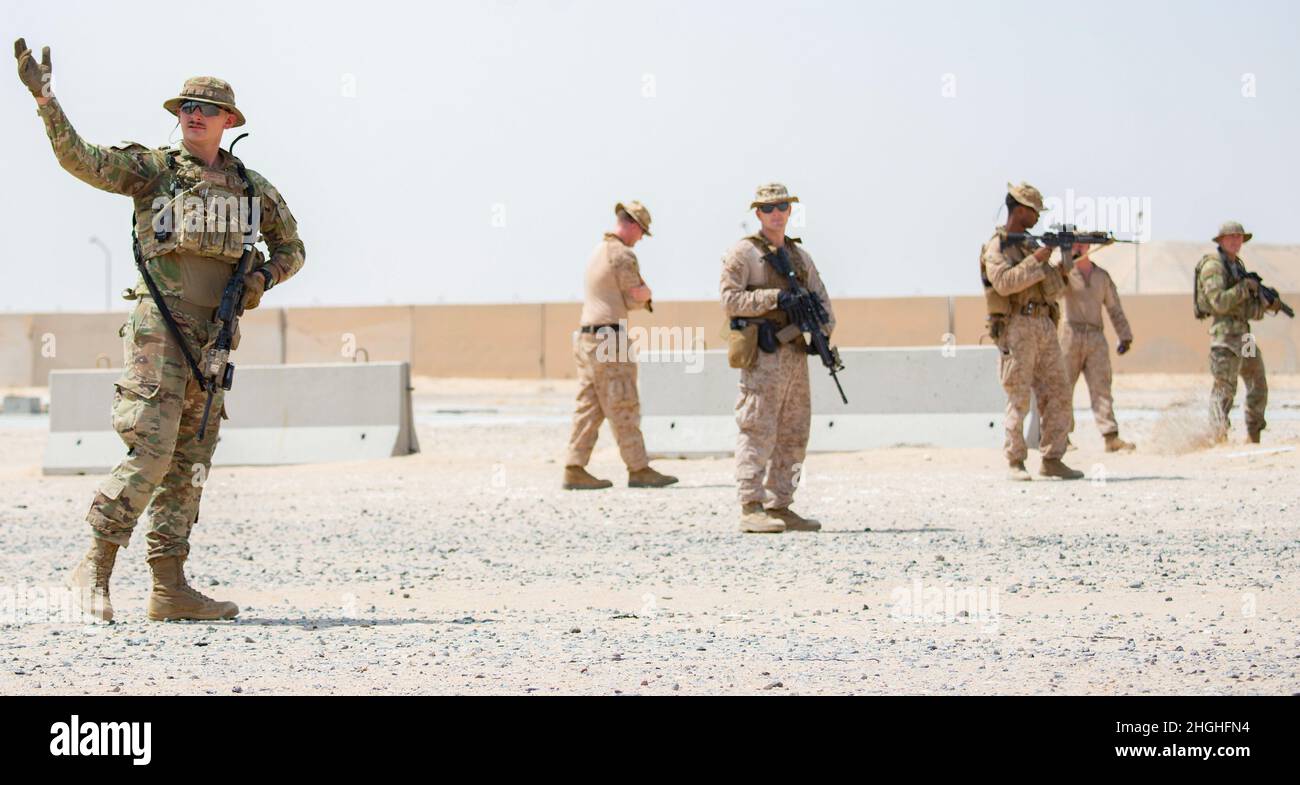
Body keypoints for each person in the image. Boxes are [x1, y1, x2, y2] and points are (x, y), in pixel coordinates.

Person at [16, 38, 305, 620]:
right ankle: (93, 570)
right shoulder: (152, 171)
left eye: (203, 109)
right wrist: (47, 101)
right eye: (184, 108)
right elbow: (82, 159)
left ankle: (169, 588)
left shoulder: (251, 188)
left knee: (191, 459)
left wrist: (265, 276)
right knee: (150, 449)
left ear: (228, 121)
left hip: (214, 339)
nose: (191, 116)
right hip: (160, 329)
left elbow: (294, 247)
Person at [720, 183, 834, 533]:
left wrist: (823, 335)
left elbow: (822, 302)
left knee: (794, 432)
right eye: (768, 209)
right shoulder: (744, 254)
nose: (776, 214)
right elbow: (730, 301)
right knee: (757, 428)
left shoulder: (800, 258)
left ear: (789, 211)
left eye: (782, 207)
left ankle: (781, 503)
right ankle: (751, 505)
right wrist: (774, 299)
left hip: (795, 354)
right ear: (758, 213)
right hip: (764, 355)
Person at [563, 201, 678, 490]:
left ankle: (574, 466)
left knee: (590, 404)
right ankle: (638, 468)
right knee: (623, 399)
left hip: (587, 337)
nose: (640, 239)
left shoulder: (598, 250)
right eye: (642, 232)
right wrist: (647, 294)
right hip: (608, 338)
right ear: (634, 226)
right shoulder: (623, 255)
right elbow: (635, 296)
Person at [979, 182, 1083, 481]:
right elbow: (1005, 283)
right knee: (1019, 395)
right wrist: (1039, 256)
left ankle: (1053, 458)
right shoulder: (997, 246)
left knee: (1058, 392)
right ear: (1019, 209)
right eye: (1034, 211)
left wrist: (1064, 257)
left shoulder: (1029, 246)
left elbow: (1055, 288)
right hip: (1017, 327)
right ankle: (1015, 460)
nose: (1038, 217)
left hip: (1044, 325)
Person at [1195, 221, 1280, 443]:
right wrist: (1245, 288)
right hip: (1224, 337)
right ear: (1221, 240)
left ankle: (1254, 433)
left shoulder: (1237, 267)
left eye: (1239, 237)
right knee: (1225, 387)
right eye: (1230, 237)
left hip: (1245, 337)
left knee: (1257, 381)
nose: (1235, 241)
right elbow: (1219, 302)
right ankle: (1218, 435)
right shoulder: (1213, 267)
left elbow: (1248, 311)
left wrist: (1266, 304)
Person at [1059, 242, 1136, 452]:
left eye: (1083, 244)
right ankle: (1061, 436)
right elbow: (1053, 292)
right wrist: (1065, 261)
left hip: (1095, 336)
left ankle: (1110, 436)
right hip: (1070, 335)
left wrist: (1125, 335)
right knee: (1063, 388)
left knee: (1101, 386)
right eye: (1075, 244)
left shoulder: (1101, 277)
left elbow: (1114, 307)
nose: (1080, 248)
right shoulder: (1063, 274)